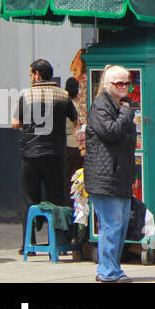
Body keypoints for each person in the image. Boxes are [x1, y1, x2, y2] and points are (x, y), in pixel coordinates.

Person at [12, 59, 78, 250]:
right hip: (56, 154)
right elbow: (75, 121)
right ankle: (58, 241)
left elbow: (15, 123)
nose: (31, 78)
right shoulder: (63, 95)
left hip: (31, 155)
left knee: (29, 200)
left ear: (37, 75)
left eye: (31, 74)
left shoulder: (26, 94)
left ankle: (28, 244)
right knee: (57, 198)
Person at [85, 65, 137, 282]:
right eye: (119, 83)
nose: (124, 87)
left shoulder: (119, 106)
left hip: (121, 175)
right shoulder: (101, 106)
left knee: (121, 225)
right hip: (104, 177)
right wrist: (126, 112)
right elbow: (111, 132)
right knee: (111, 225)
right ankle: (107, 271)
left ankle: (112, 268)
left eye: (127, 83)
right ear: (108, 84)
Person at [64, 77, 83, 177]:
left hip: (67, 144)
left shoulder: (64, 103)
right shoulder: (80, 105)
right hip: (78, 144)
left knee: (69, 176)